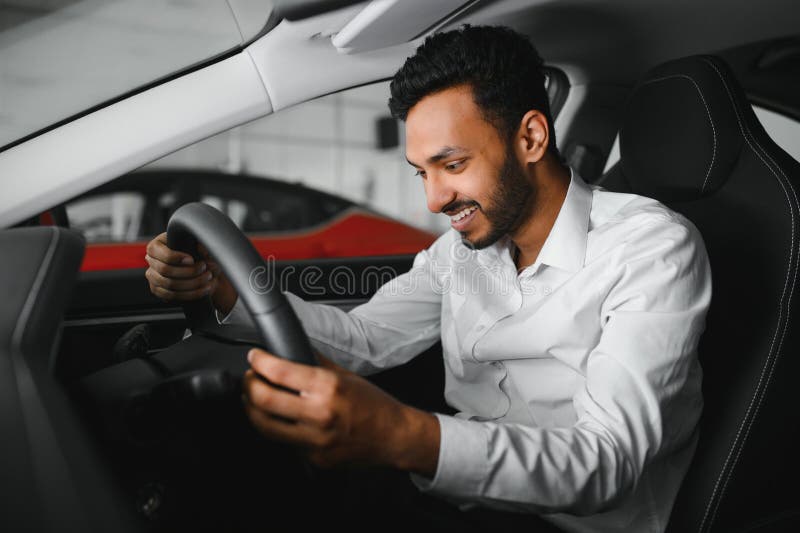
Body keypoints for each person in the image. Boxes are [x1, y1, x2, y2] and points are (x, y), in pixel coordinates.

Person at [144, 25, 711, 532]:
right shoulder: (462, 251)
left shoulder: (651, 249)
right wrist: (224, 288)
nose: (435, 198)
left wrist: (402, 435)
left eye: (453, 165)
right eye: (422, 172)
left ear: (531, 139)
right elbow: (365, 340)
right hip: (452, 496)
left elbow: (606, 463)